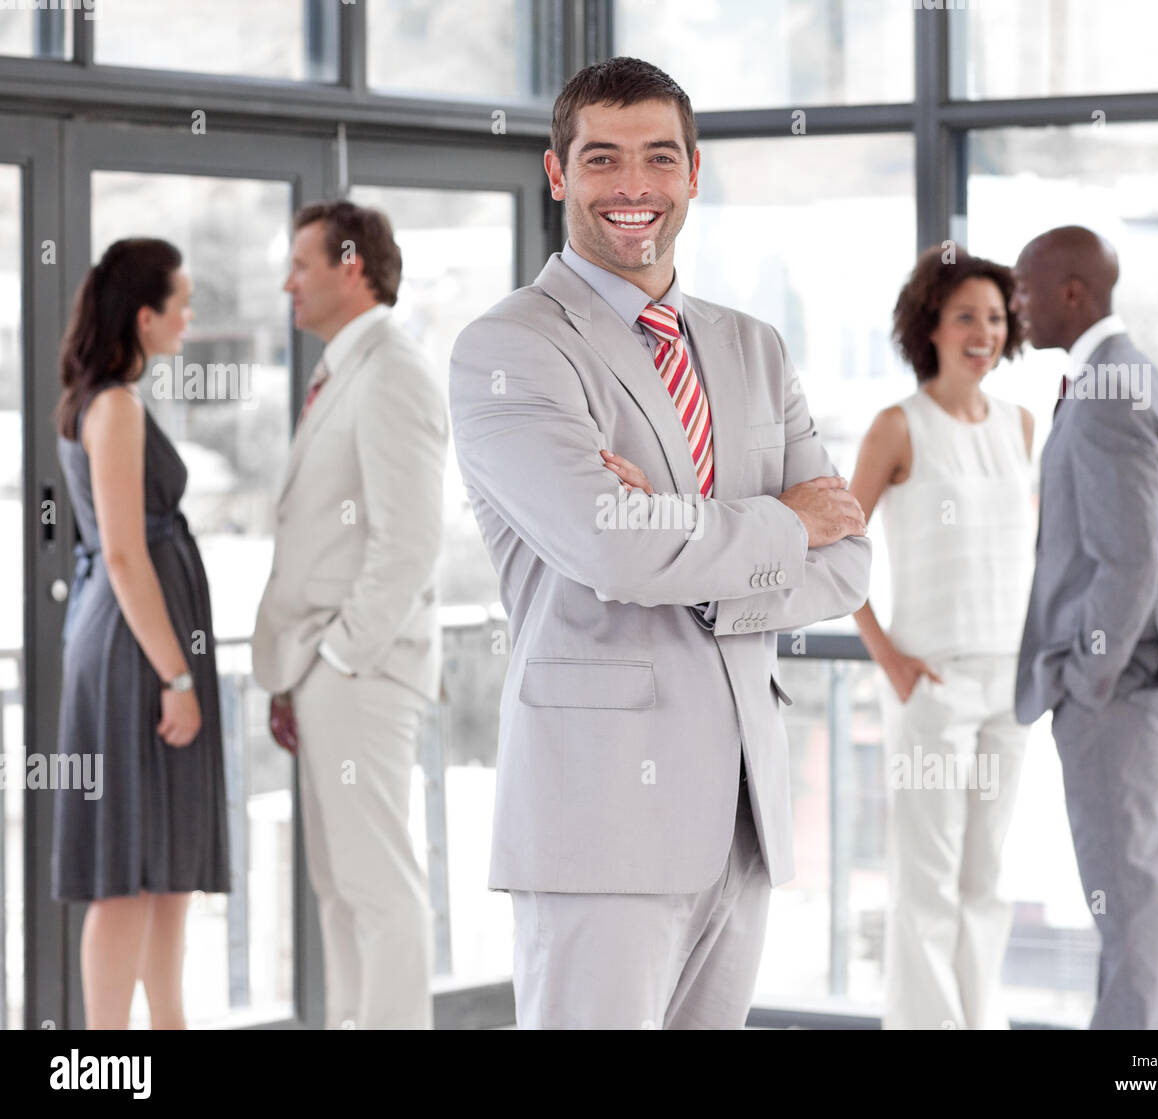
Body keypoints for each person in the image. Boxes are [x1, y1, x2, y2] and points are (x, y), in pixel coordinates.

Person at [449, 56, 871, 1030]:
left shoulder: (752, 346)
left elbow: (847, 560)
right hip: (599, 821)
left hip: (740, 816)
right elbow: (612, 551)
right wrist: (778, 526)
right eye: (602, 160)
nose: (632, 188)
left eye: (657, 159)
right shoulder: (511, 349)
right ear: (558, 175)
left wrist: (681, 546)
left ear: (692, 172)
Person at [251, 201, 448, 1029]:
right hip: (321, 669)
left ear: (350, 265)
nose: (287, 282)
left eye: (300, 264)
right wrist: (303, 673)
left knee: (379, 889)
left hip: (361, 673)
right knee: (338, 889)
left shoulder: (393, 370)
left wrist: (338, 661)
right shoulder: (342, 368)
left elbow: (408, 542)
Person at [1011, 225, 1158, 1029]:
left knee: (1128, 906)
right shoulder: (1142, 380)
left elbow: (1128, 562)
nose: (1015, 307)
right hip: (1146, 687)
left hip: (1117, 697)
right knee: (1148, 899)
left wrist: (1088, 680)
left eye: (1024, 291)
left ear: (1072, 293)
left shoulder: (1103, 392)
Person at [848, 246, 1034, 1029]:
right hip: (932, 683)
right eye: (965, 316)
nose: (982, 331)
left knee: (985, 881)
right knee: (926, 884)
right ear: (930, 326)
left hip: (1008, 684)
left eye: (995, 317)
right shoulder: (898, 425)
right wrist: (886, 654)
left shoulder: (1022, 425)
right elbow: (838, 547)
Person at [53, 238, 231, 1029]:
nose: (190, 317)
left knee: (163, 867)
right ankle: (108, 1059)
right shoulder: (116, 407)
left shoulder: (105, 398)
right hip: (138, 652)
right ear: (144, 315)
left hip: (133, 645)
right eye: (182, 303)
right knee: (128, 867)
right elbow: (125, 555)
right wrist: (179, 677)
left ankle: (165, 1033)